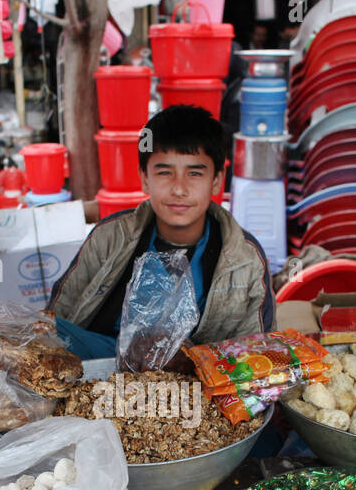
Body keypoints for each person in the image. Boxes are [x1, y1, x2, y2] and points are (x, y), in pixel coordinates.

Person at [48, 104, 273, 359]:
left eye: (195, 173)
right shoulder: (109, 237)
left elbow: (257, 352)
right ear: (145, 178)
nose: (179, 189)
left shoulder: (244, 256)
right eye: (165, 172)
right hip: (105, 367)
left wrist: (189, 362)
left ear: (217, 180)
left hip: (202, 379)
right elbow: (56, 322)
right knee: (39, 329)